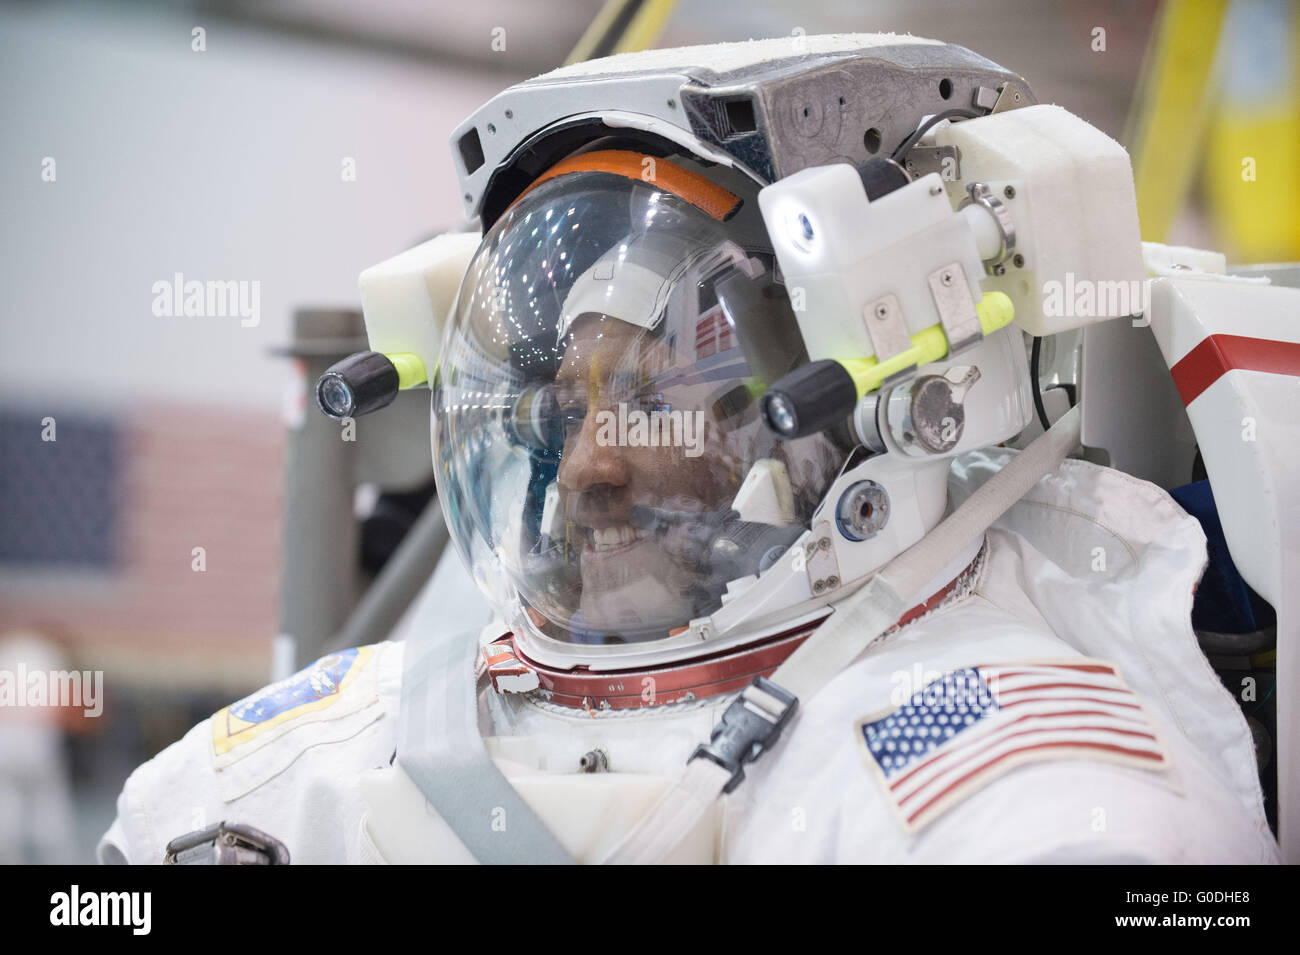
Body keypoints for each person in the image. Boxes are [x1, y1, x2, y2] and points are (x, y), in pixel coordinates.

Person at [100, 147, 1279, 864]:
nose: (588, 470)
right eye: (570, 415)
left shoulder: (996, 757)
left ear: (869, 434)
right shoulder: (295, 763)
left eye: (674, 403)